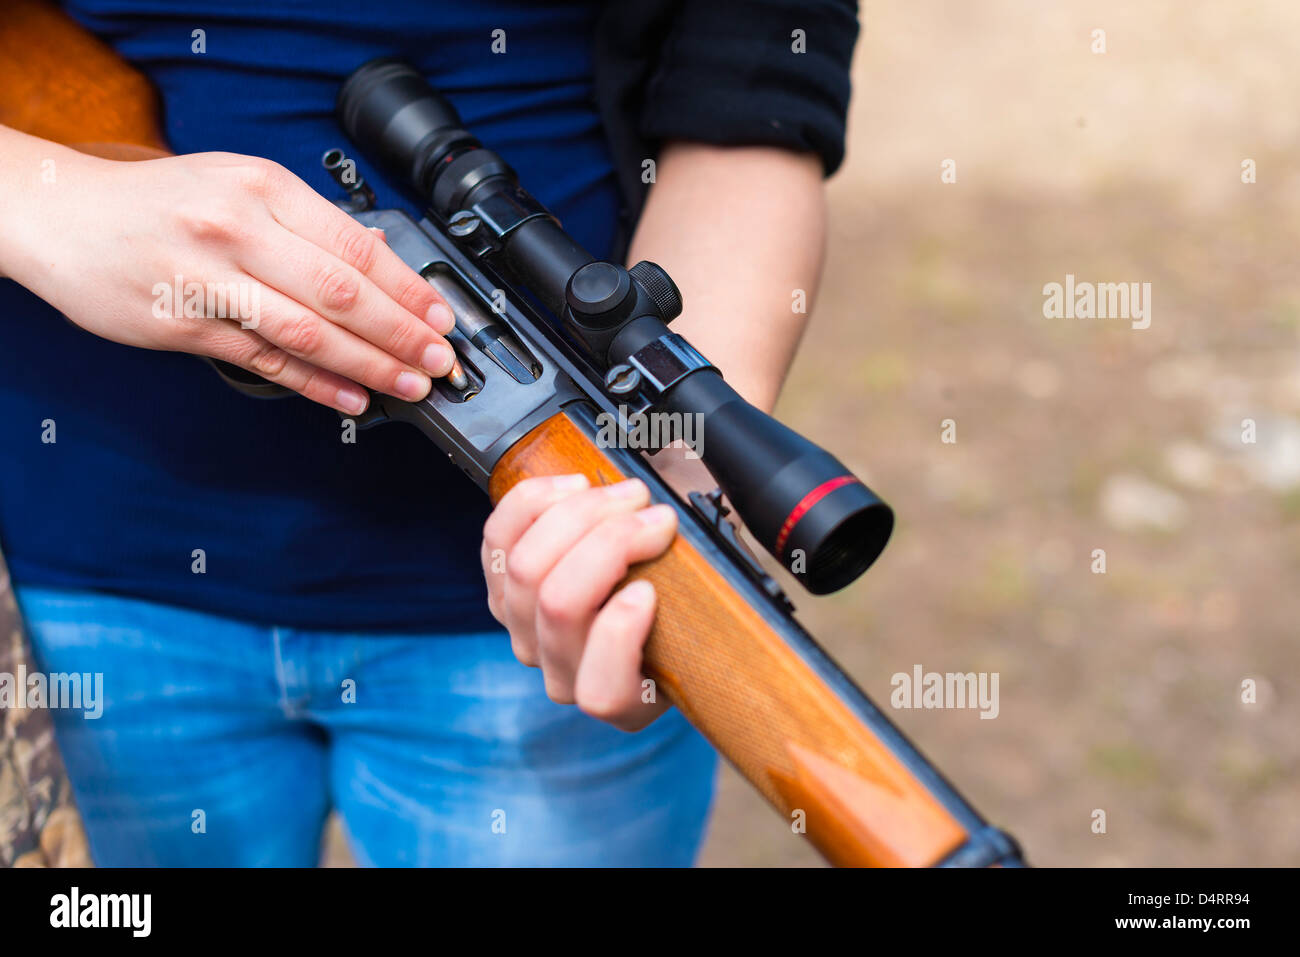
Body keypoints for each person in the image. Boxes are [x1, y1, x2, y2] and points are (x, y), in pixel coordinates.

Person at [0, 0, 859, 865]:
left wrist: (671, 506)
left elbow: (753, 89)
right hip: (66, 583)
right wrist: (48, 201)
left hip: (533, 626)